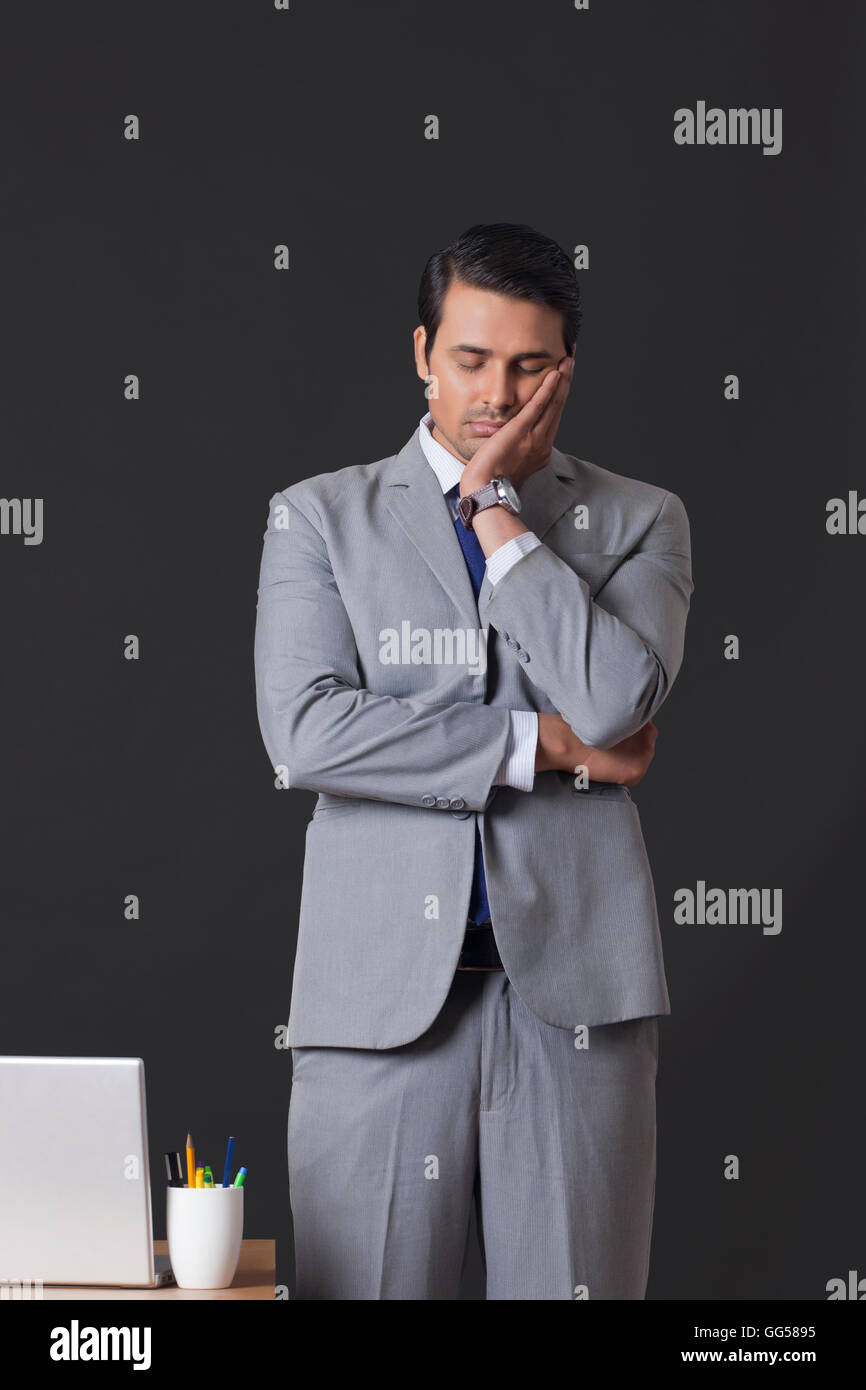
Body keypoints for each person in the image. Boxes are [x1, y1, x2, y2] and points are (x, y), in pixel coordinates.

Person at [254, 221, 694, 1299]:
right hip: (377, 1016)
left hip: (576, 1004)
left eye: (527, 365)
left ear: (564, 370)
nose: (495, 391)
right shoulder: (319, 517)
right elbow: (308, 731)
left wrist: (498, 512)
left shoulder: (640, 520)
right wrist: (532, 743)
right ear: (420, 354)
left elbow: (611, 699)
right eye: (469, 359)